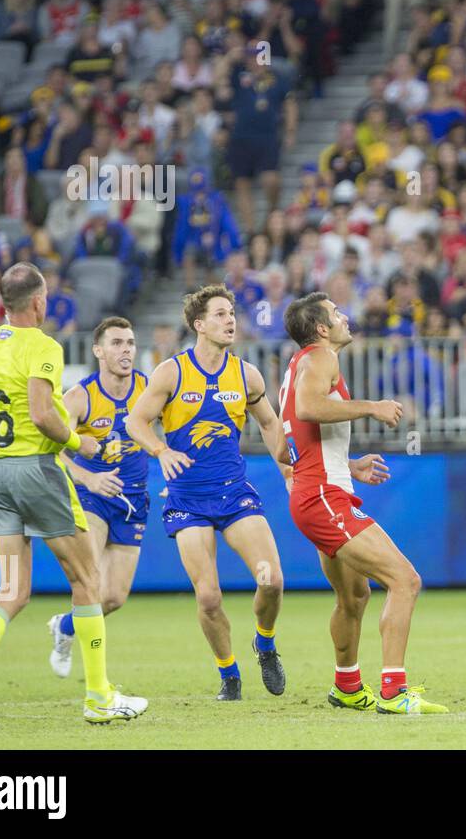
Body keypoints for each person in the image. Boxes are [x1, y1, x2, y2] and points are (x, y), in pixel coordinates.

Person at [0, 262, 147, 727]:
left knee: (12, 591)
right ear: (38, 301)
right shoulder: (43, 346)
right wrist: (80, 443)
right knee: (88, 581)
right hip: (38, 473)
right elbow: (40, 412)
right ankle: (98, 698)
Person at [279, 291, 447, 713]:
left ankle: (348, 686)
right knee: (405, 580)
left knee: (353, 597)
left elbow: (288, 449)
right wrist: (371, 407)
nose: (345, 317)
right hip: (322, 497)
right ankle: (393, 692)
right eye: (336, 313)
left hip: (316, 489)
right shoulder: (321, 359)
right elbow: (309, 407)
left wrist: (346, 465)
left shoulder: (300, 365)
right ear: (321, 329)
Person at [126, 285, 291, 700]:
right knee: (209, 595)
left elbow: (270, 423)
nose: (230, 320)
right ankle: (229, 674)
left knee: (271, 580)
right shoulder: (171, 372)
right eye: (219, 314)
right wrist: (161, 451)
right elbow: (135, 423)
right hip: (187, 499)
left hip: (234, 493)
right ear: (199, 325)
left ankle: (265, 644)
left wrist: (286, 467)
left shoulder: (246, 374)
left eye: (231, 313)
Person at [45, 317, 150, 679]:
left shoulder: (148, 389)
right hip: (92, 500)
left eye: (131, 343)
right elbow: (53, 451)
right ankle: (97, 685)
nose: (126, 350)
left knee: (113, 598)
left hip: (133, 501)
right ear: (98, 351)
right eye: (118, 343)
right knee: (89, 580)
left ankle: (65, 627)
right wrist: (88, 479)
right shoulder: (79, 397)